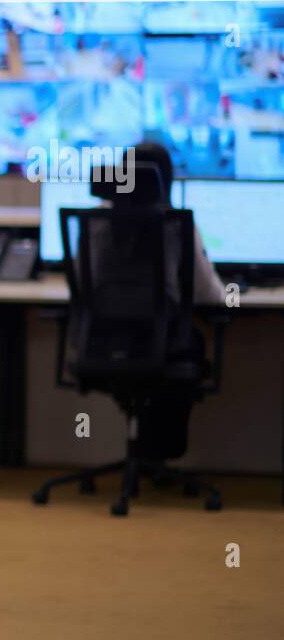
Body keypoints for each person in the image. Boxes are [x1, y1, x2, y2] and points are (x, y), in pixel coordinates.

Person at [89, 141, 225, 459]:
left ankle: (146, 457)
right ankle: (160, 454)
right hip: (163, 346)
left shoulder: (96, 222)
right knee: (191, 341)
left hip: (103, 344)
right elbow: (210, 294)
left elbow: (85, 286)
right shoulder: (176, 224)